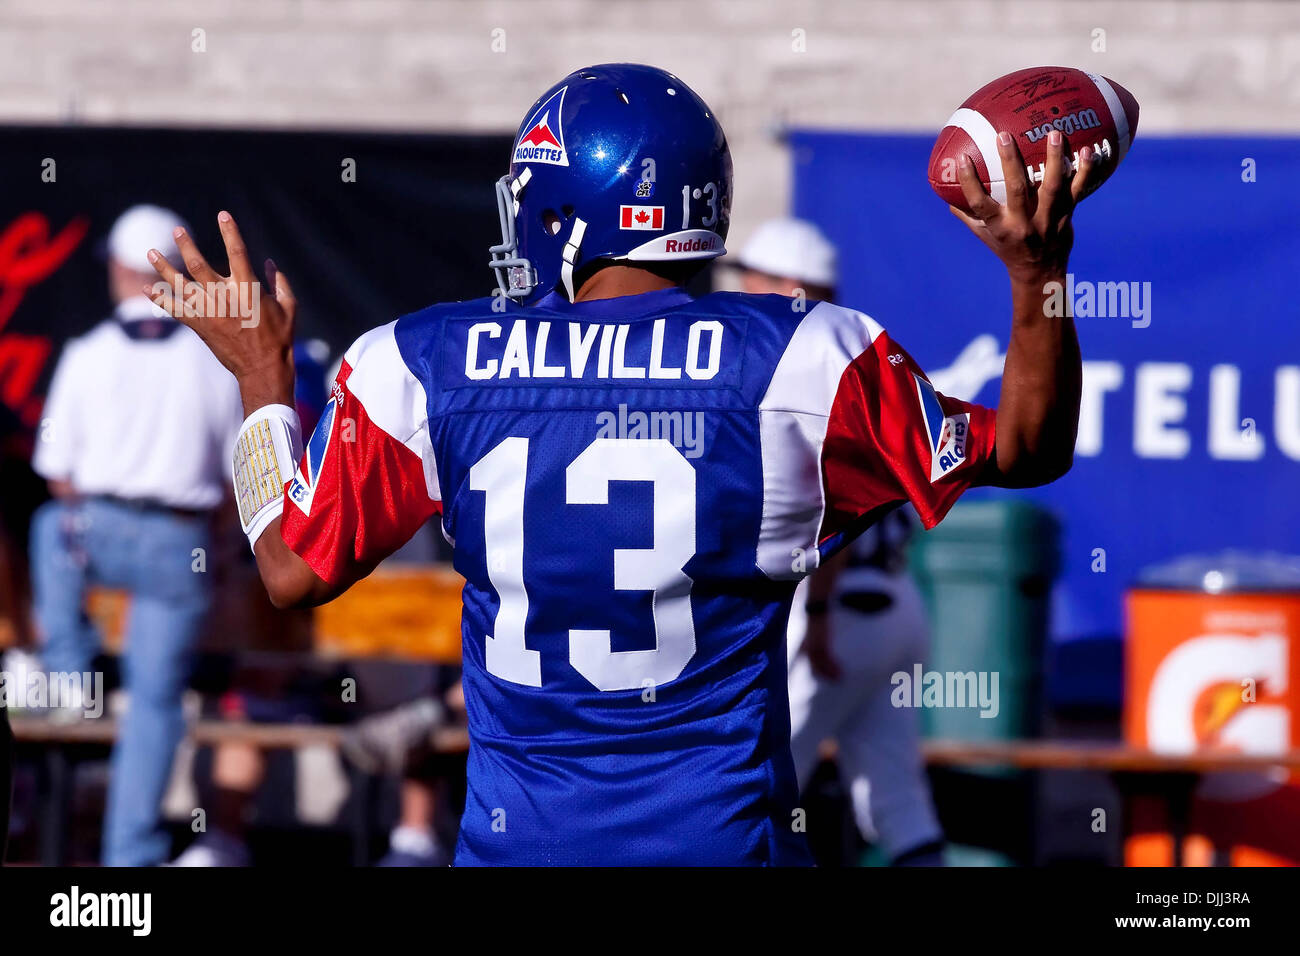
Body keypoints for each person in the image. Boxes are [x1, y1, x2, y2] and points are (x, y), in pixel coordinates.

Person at [145, 63, 1091, 866]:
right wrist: (1037, 277)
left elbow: (288, 567)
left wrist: (263, 380)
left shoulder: (428, 362)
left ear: (565, 208)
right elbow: (1028, 450)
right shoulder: (804, 357)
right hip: (722, 842)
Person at [30, 204, 244, 866]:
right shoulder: (214, 360)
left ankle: (67, 675)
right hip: (183, 546)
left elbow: (57, 476)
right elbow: (244, 474)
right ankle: (131, 858)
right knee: (154, 708)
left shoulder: (88, 353)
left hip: (95, 530)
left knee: (50, 526)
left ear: (124, 271)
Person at [735, 218, 945, 865]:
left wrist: (820, 612)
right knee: (897, 800)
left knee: (750, 792)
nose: (740, 290)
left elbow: (838, 514)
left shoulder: (799, 364)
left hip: (837, 611)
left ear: (788, 285)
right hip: (897, 606)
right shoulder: (858, 354)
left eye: (753, 277)